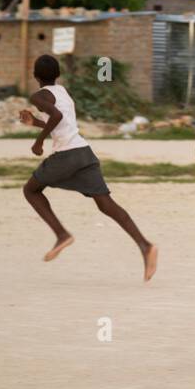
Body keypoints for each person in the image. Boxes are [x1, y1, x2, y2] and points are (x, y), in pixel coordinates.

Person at [19, 54, 157, 281]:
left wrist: (38, 141)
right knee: (106, 204)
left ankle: (62, 234)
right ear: (58, 75)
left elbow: (56, 115)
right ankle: (145, 245)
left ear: (35, 76)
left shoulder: (38, 95)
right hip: (84, 152)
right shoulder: (62, 92)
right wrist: (34, 123)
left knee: (30, 190)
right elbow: (61, 123)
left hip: (66, 155)